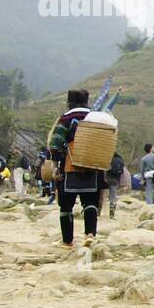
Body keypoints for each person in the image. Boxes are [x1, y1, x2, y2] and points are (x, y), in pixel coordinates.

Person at [48, 89, 103, 247]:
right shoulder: (96, 118)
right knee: (90, 202)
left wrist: (55, 167)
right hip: (92, 167)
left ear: (69, 102)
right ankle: (90, 234)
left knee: (66, 205)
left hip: (69, 166)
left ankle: (67, 241)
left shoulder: (66, 118)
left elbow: (56, 145)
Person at [105, 151, 125, 218]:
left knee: (100, 196)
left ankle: (98, 212)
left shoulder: (108, 159)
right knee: (113, 198)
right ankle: (112, 214)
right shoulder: (120, 160)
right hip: (115, 180)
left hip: (105, 179)